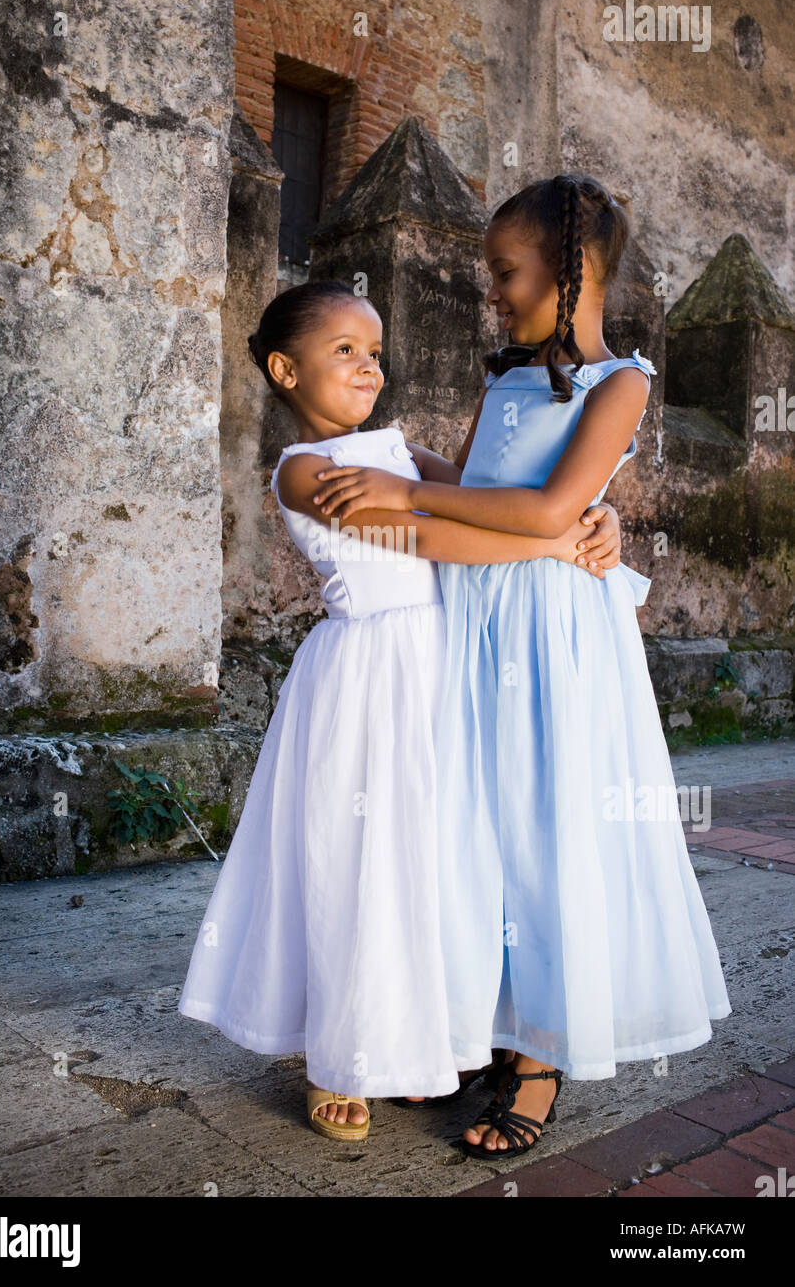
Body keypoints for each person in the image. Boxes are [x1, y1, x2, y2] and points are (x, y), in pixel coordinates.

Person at [311, 176, 732, 1159]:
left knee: (544, 826)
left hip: (550, 639)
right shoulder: (504, 381)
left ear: (569, 269)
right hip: (470, 621)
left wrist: (405, 504)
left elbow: (549, 511)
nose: (490, 292)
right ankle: (466, 1030)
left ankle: (537, 1056)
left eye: (505, 272)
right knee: (461, 822)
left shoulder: (618, 383)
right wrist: (411, 465)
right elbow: (480, 488)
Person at [178, 278, 626, 1141]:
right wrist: (557, 537)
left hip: (449, 668)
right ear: (284, 370)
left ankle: (434, 1037)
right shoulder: (306, 470)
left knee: (441, 862)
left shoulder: (402, 452)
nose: (367, 365)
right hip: (370, 679)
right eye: (344, 349)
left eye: (375, 351)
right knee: (360, 863)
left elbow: (485, 506)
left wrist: (591, 519)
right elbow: (414, 536)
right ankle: (340, 1057)